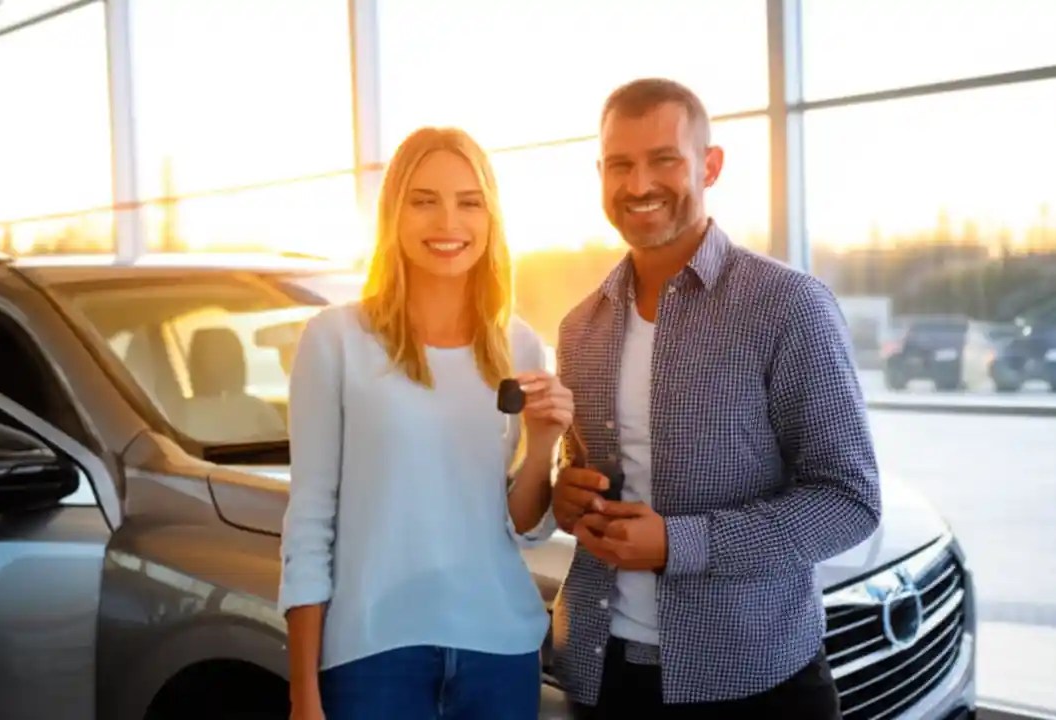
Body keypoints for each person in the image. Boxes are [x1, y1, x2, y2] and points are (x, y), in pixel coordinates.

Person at [549, 77, 882, 719]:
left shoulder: (787, 306)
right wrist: (570, 493)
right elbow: (584, 467)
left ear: (710, 164)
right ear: (600, 174)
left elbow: (849, 499)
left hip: (755, 679)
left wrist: (681, 544)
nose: (640, 184)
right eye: (620, 164)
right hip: (603, 668)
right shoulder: (579, 327)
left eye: (664, 159)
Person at [279, 126, 573, 720]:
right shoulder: (335, 340)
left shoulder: (517, 345)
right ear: (393, 214)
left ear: (490, 220)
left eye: (469, 202)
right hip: (371, 658)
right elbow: (310, 520)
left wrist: (543, 448)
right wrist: (303, 695)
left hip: (499, 652)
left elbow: (515, 525)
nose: (448, 222)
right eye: (424, 200)